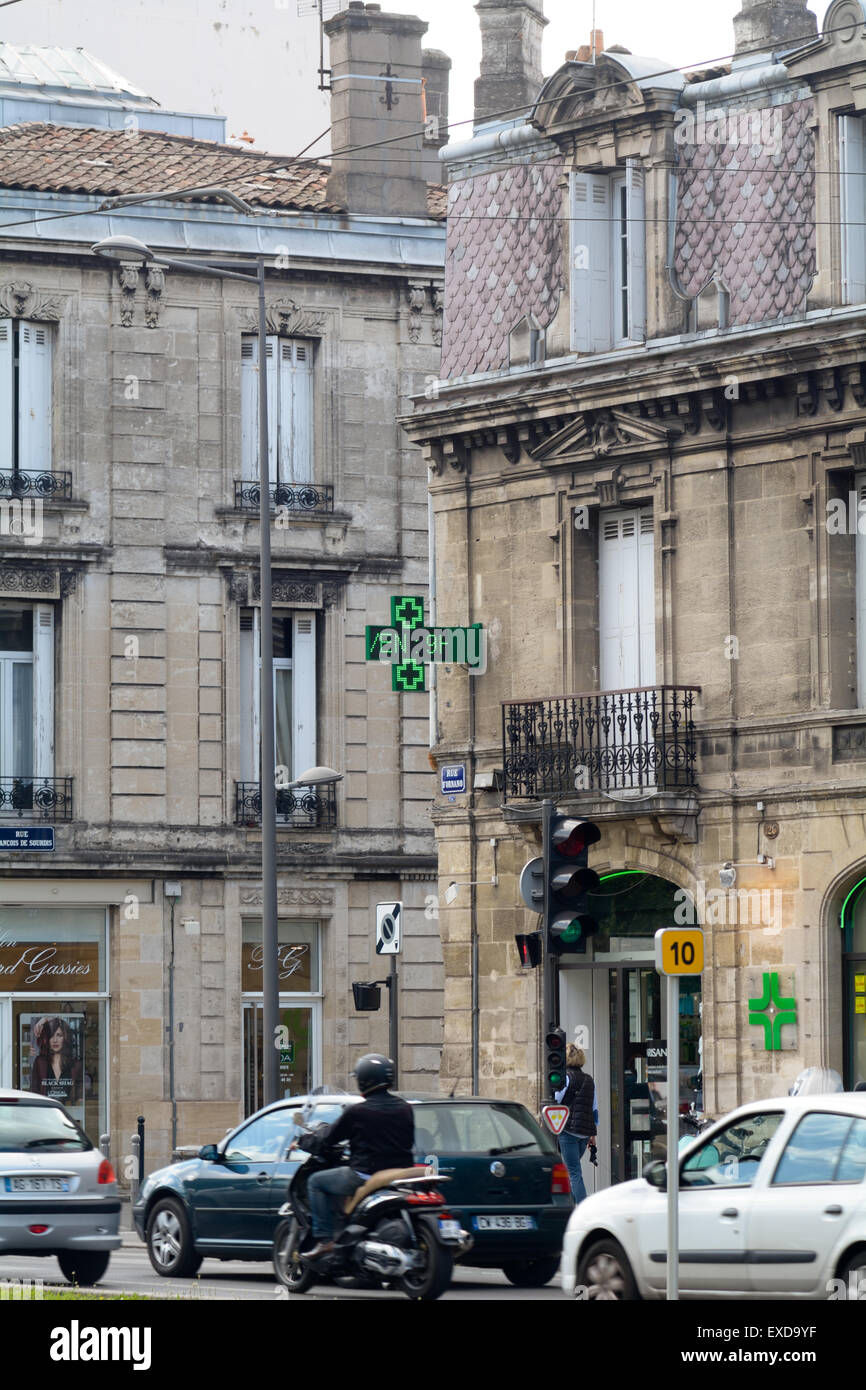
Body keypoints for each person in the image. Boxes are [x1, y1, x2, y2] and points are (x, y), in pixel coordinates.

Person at [303, 1053, 415, 1261]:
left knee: (315, 1182)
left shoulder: (358, 1112)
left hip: (365, 1174)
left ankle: (325, 1240)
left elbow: (328, 1139)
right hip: (400, 1174)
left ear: (364, 1080)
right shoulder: (405, 1108)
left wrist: (305, 1141)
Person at [554, 1044, 598, 1204]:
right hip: (584, 1133)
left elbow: (556, 1101)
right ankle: (569, 1205)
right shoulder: (589, 1080)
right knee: (570, 1170)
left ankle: (581, 1208)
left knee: (573, 1172)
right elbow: (594, 1108)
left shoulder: (565, 1078)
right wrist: (592, 1135)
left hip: (568, 1131)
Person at [29, 1015, 83, 1106]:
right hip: (45, 1110)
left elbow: (79, 1093)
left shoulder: (75, 1064)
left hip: (68, 1110)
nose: (55, 1040)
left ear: (65, 1038)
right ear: (46, 1039)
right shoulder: (40, 1062)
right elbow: (34, 1090)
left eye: (59, 1035)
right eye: (51, 1036)